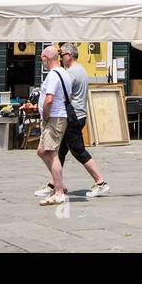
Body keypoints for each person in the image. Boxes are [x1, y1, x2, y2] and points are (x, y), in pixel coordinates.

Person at [37, 44, 109, 199]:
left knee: (77, 150)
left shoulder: (70, 73)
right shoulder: (81, 70)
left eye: (61, 55)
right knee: (59, 152)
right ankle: (55, 185)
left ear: (69, 55)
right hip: (78, 114)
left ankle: (100, 181)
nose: (60, 58)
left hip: (71, 116)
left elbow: (59, 91)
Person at [33, 46, 70, 207]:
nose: (41, 62)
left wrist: (45, 115)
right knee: (42, 151)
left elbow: (49, 99)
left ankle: (59, 192)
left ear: (46, 58)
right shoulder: (63, 73)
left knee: (52, 153)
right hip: (56, 117)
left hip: (54, 117)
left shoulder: (54, 75)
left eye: (42, 58)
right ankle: (58, 183)